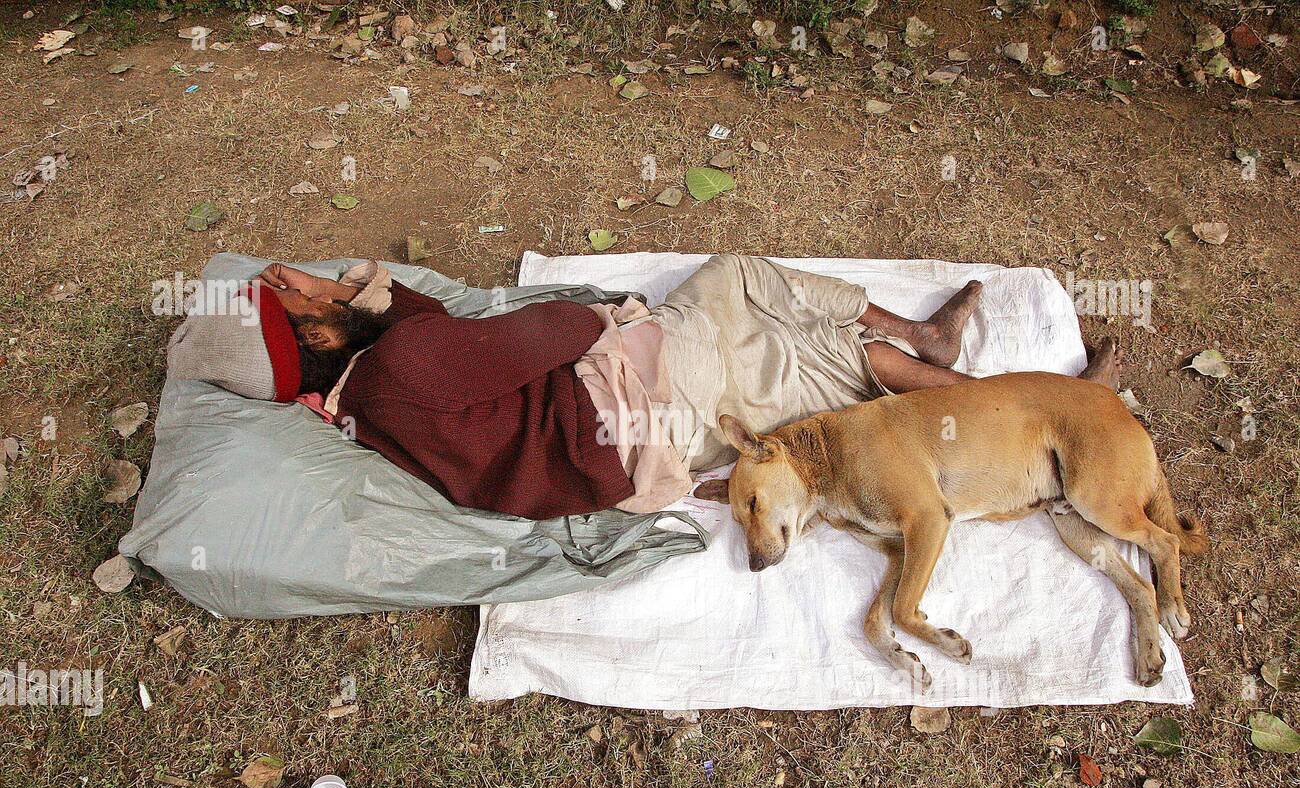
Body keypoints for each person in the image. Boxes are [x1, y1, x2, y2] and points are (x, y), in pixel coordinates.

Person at [180, 255, 1120, 520]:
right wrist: (616, 321)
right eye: (296, 285)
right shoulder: (399, 369)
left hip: (612, 436)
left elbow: (438, 333)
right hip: (634, 411)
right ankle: (1016, 396)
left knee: (763, 307)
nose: (311, 271)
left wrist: (368, 297)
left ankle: (927, 345)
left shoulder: (366, 391)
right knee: (779, 321)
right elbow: (550, 327)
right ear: (307, 331)